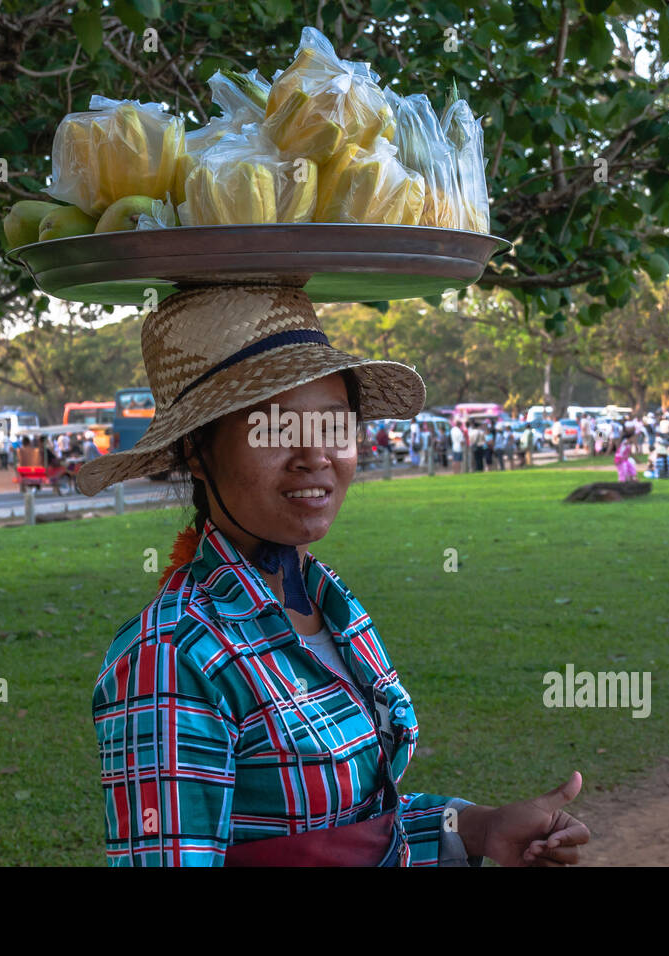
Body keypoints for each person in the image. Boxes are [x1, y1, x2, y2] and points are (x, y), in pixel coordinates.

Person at [73, 285, 590, 867]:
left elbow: (352, 828)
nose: (314, 455)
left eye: (333, 426)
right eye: (274, 428)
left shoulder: (331, 604)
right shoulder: (171, 656)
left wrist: (478, 826)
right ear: (197, 449)